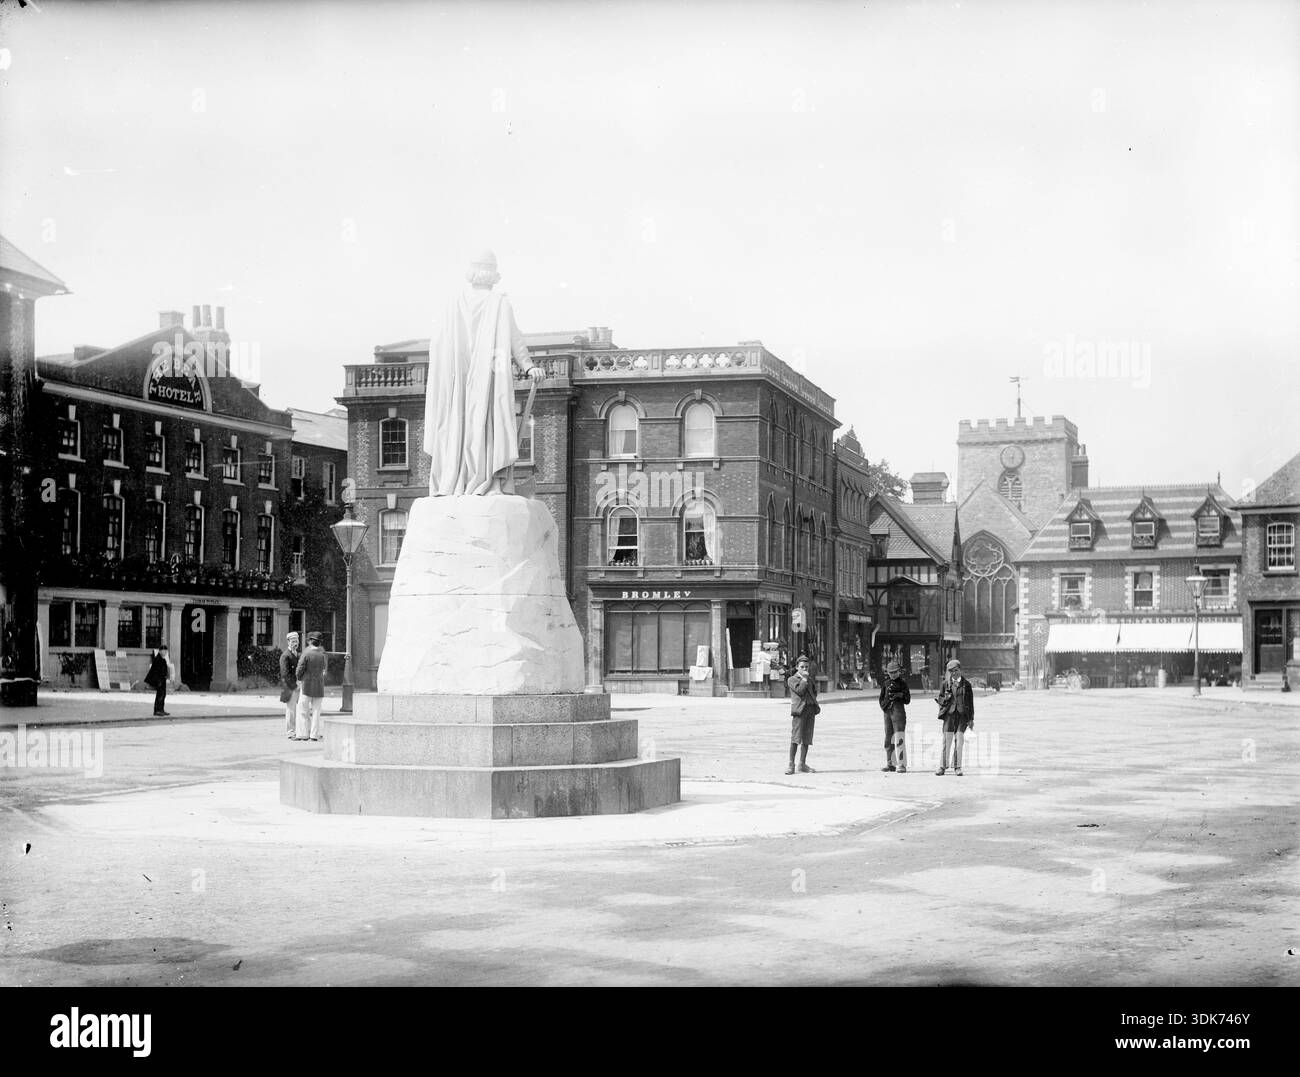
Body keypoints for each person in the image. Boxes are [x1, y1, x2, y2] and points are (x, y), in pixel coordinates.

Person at [424, 251, 546, 497]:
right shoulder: (494, 302)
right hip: (481, 377)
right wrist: (528, 365)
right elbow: (515, 339)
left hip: (466, 378)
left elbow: (438, 345)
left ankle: (463, 480)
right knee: (484, 426)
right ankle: (478, 480)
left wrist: (528, 365)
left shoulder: (462, 302)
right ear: (493, 273)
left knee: (464, 426)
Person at [935, 658, 975, 775]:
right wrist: (945, 700)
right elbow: (940, 699)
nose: (954, 673)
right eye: (951, 671)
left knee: (959, 741)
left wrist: (971, 719)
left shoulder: (967, 684)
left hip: (962, 716)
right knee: (946, 741)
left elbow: (970, 703)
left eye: (956, 670)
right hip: (949, 716)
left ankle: (957, 767)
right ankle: (942, 766)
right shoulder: (945, 684)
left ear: (960, 670)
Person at [785, 655, 820, 774]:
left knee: (807, 738)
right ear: (797, 667)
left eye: (806, 667)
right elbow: (800, 691)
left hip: (810, 709)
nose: (804, 669)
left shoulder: (810, 679)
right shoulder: (792, 679)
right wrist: (804, 680)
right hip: (799, 711)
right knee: (796, 737)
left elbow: (814, 692)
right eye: (802, 667)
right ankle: (791, 764)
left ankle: (802, 763)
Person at [295, 632, 328, 742]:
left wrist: (299, 678)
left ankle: (302, 734)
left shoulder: (306, 653)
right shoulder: (322, 655)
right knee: (316, 712)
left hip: (307, 685)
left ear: (310, 641)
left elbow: (300, 669)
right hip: (319, 686)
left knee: (302, 710)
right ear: (319, 643)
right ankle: (314, 735)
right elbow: (324, 670)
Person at [878, 659, 910, 772]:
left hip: (898, 712)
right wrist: (884, 707)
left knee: (899, 737)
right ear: (888, 673)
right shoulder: (886, 684)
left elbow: (907, 700)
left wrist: (900, 695)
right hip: (888, 713)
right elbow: (881, 698)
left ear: (899, 671)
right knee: (888, 738)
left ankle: (901, 764)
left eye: (895, 672)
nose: (893, 674)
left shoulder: (903, 683)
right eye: (891, 672)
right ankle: (890, 763)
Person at [280, 631, 302, 740]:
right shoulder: (285, 656)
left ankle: (300, 730)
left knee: (301, 709)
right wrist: (294, 686)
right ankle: (290, 731)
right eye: (293, 641)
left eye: (296, 641)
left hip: (299, 685)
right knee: (291, 710)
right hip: (290, 687)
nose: (295, 643)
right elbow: (285, 674)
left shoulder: (298, 654)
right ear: (288, 642)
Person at [144, 644, 172, 717]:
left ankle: (161, 709)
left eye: (165, 651)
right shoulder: (158, 659)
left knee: (163, 694)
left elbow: (164, 670)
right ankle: (157, 710)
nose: (164, 652)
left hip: (162, 680)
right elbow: (155, 671)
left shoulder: (163, 659)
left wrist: (167, 677)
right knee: (160, 694)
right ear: (159, 651)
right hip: (159, 680)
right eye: (163, 651)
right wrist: (158, 681)